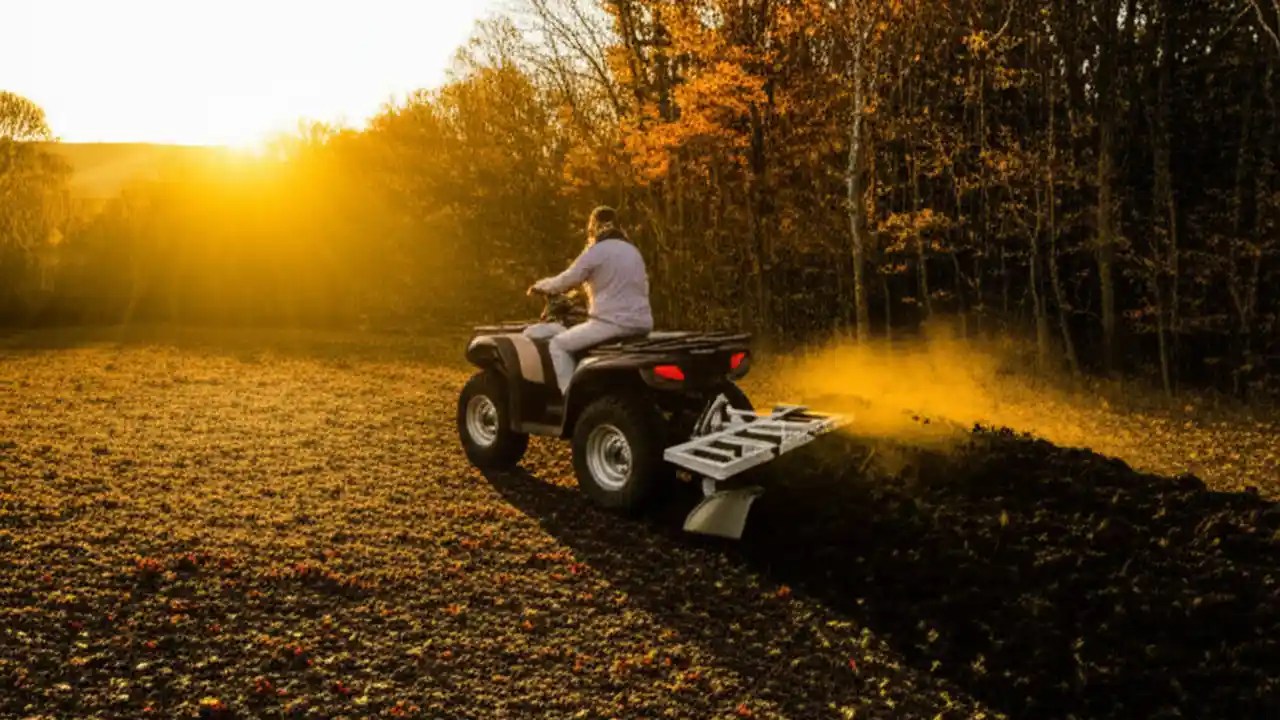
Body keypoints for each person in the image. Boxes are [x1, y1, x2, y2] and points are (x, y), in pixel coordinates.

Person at [527, 206, 653, 396]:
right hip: (642, 324)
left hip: (611, 324)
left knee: (558, 345)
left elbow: (567, 280)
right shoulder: (632, 251)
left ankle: (571, 400)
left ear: (594, 226)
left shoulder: (597, 251)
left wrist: (540, 286)